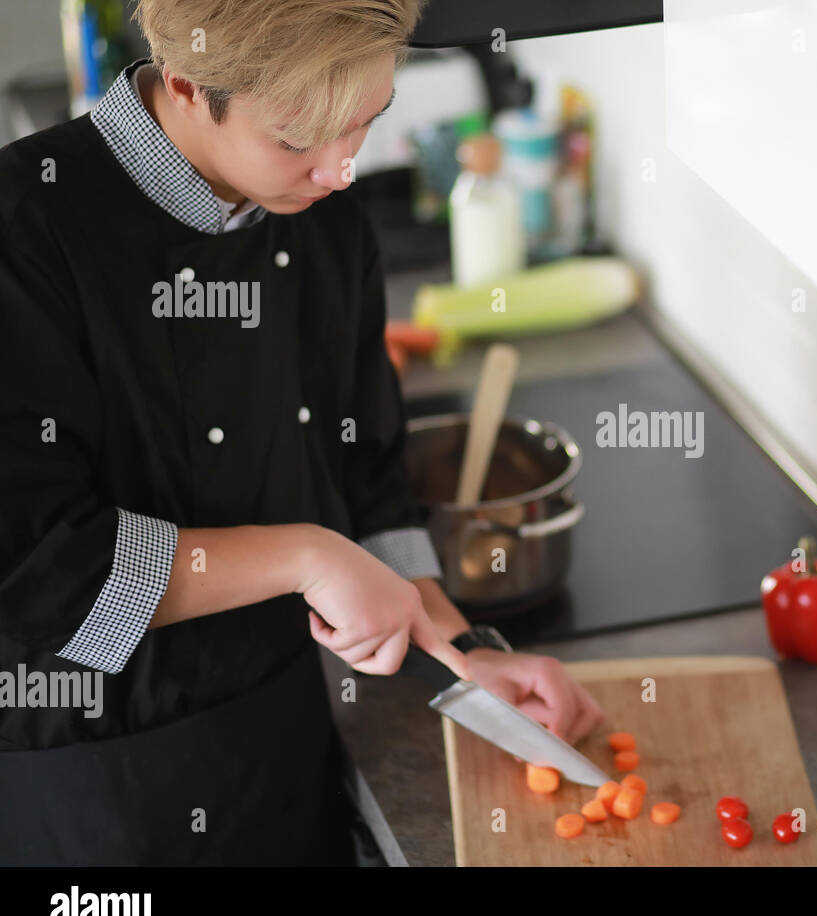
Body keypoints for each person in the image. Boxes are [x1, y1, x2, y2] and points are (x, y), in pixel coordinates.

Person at [0, 0, 603, 865]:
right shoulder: (25, 229)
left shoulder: (318, 211)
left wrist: (462, 653)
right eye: (298, 140)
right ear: (186, 81)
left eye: (366, 123)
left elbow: (365, 476)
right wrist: (304, 556)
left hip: (284, 738)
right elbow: (34, 574)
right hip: (97, 786)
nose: (341, 170)